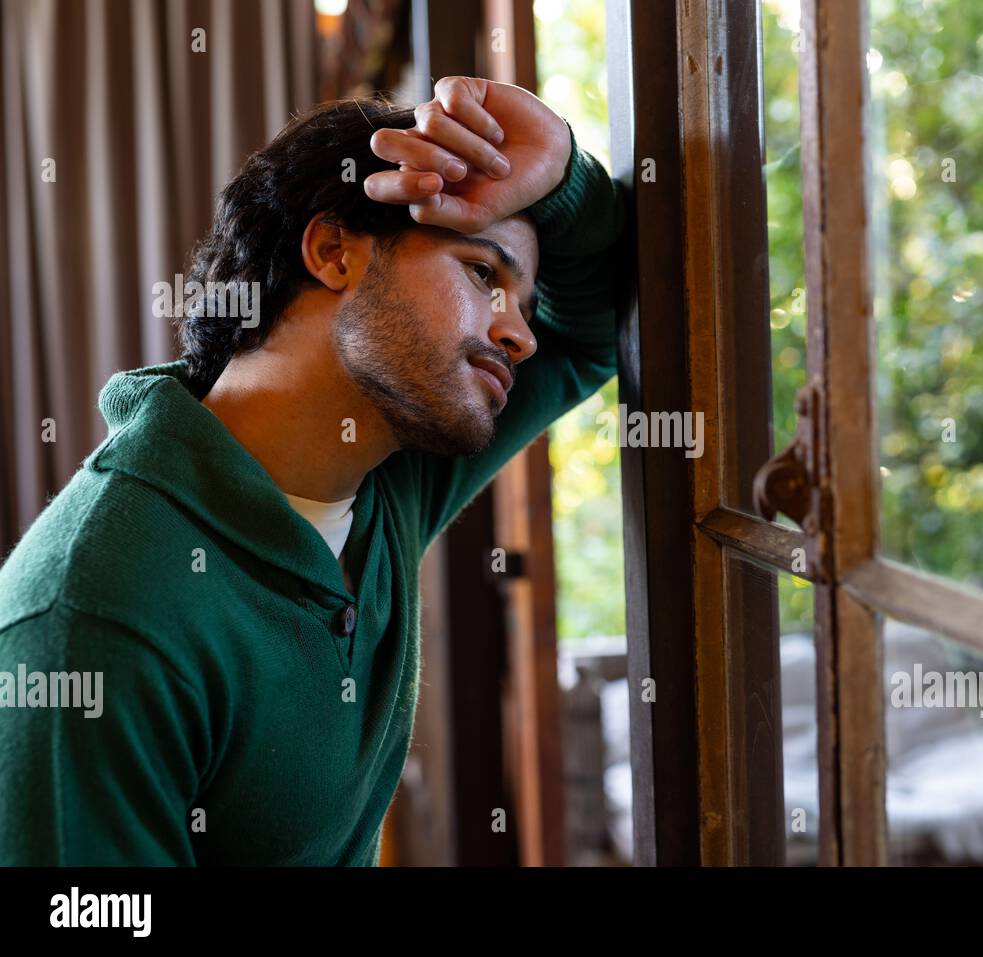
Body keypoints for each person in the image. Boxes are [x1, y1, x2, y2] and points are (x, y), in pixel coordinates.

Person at [0, 76, 626, 865]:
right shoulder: (92, 620)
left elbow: (597, 326)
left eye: (525, 307)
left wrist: (561, 170)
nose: (521, 337)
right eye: (482, 273)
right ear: (334, 252)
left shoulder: (385, 477)